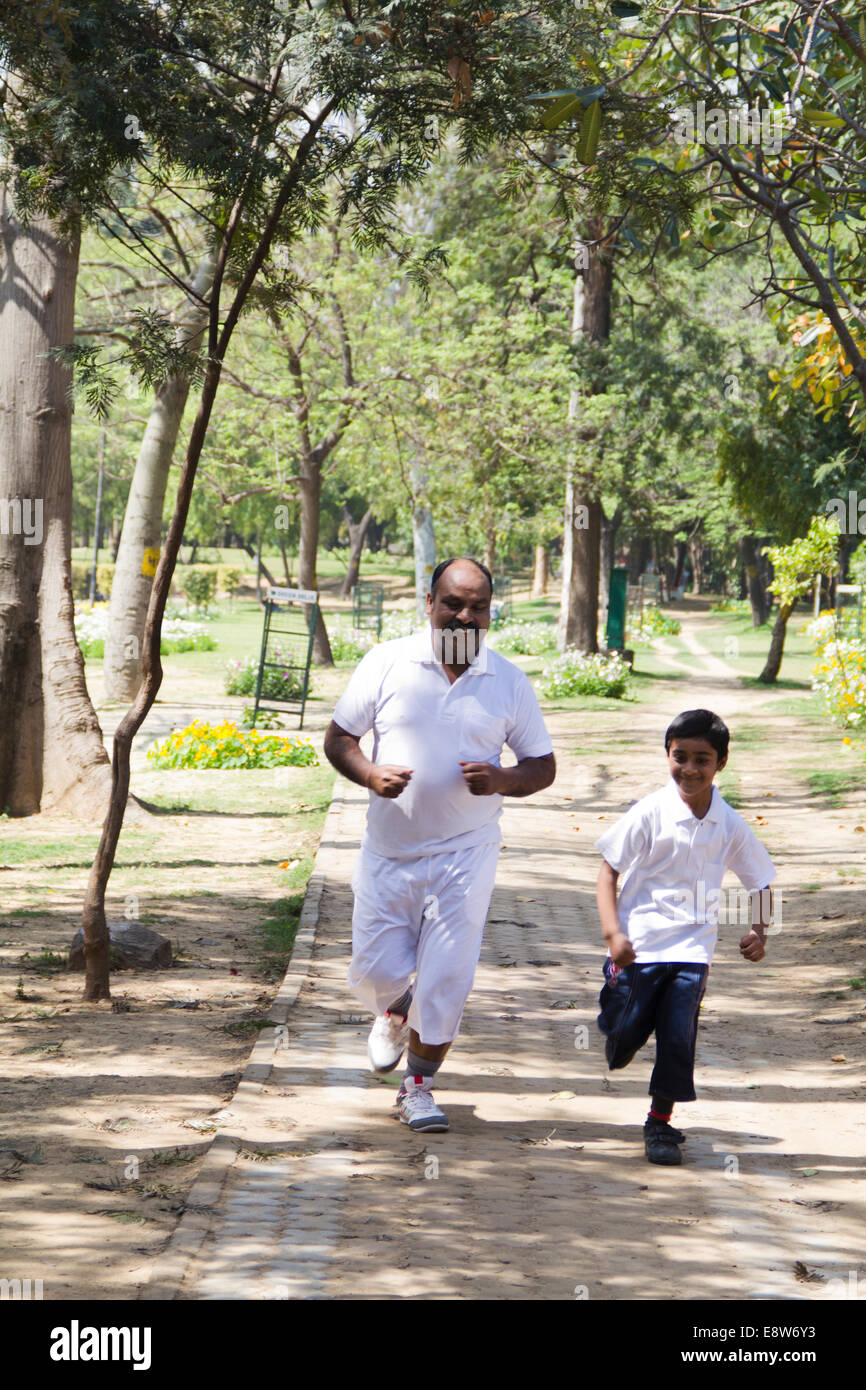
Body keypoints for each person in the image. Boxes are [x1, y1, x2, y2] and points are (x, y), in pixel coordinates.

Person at [323, 558, 556, 1133]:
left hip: (466, 852)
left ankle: (418, 1088)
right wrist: (370, 773)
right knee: (375, 970)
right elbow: (339, 739)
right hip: (389, 851)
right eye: (453, 603)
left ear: (490, 613)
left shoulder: (507, 681)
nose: (465, 616)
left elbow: (542, 765)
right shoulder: (387, 663)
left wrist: (502, 779)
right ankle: (395, 1006)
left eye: (478, 607)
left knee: (447, 974)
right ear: (429, 603)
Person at [594, 708, 776, 1166]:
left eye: (702, 759)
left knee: (678, 1034)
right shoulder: (651, 812)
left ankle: (660, 1121)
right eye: (681, 757)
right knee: (624, 1033)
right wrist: (613, 934)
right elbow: (608, 871)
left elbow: (761, 880)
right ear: (667, 755)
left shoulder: (728, 823)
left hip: (694, 947)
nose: (690, 769)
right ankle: (618, 1012)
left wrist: (759, 931)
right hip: (639, 944)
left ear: (721, 763)